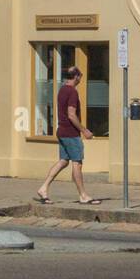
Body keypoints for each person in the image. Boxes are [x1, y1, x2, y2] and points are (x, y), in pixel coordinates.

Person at [34, 66, 100, 206]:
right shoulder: (72, 92)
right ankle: (83, 195)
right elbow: (71, 114)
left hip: (62, 131)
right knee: (77, 163)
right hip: (70, 133)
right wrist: (84, 130)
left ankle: (43, 188)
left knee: (63, 161)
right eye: (80, 75)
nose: (81, 78)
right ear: (76, 76)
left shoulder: (62, 90)